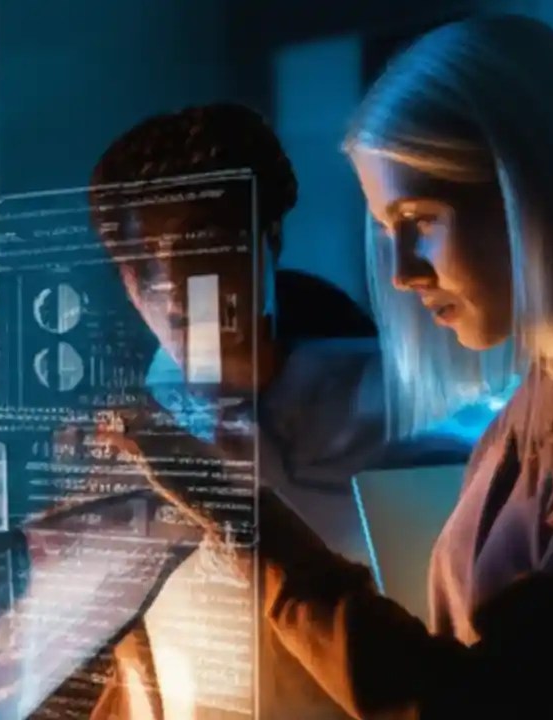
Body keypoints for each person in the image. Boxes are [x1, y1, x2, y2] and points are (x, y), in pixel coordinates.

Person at [112, 14, 553, 718]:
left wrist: (241, 515)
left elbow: (475, 702)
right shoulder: (528, 408)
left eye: (421, 218)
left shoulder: (425, 422)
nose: (403, 272)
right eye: (385, 229)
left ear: (529, 183)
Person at [77, 104, 471, 719]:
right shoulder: (130, 440)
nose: (175, 285)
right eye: (141, 262)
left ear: (270, 237)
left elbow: (449, 679)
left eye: (205, 245)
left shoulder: (406, 422)